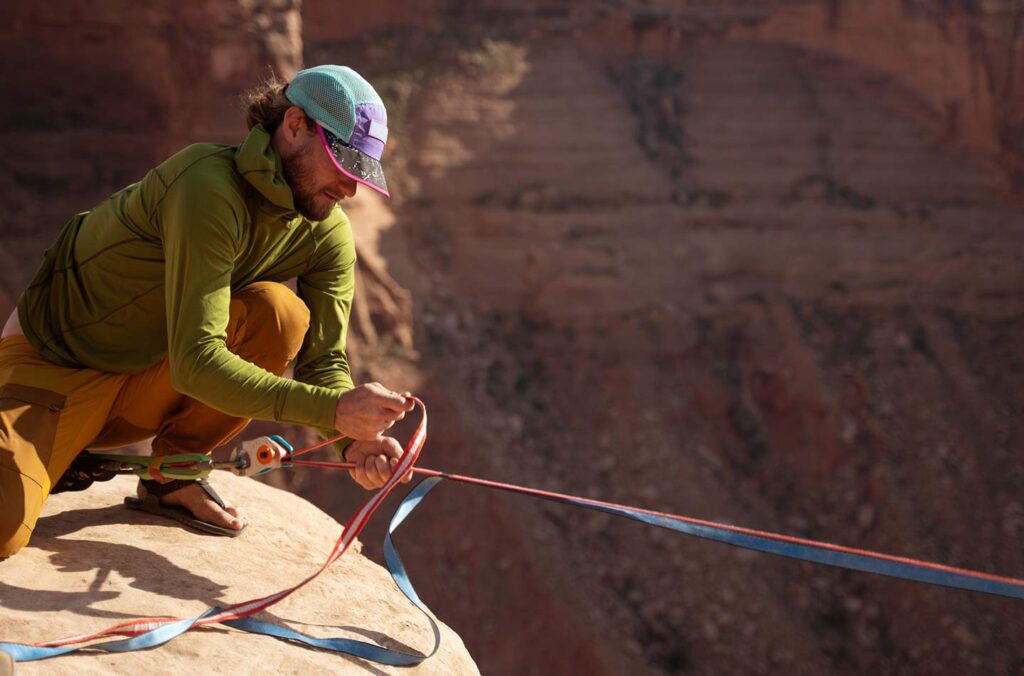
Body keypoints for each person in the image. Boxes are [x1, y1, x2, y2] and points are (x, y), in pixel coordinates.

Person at [0, 65, 415, 557]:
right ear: (296, 124)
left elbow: (323, 361)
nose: (350, 188)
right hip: (55, 369)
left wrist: (349, 438)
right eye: (343, 162)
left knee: (280, 314)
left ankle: (173, 478)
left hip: (150, 378)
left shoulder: (326, 233)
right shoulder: (207, 185)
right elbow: (197, 360)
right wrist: (333, 411)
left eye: (361, 172)